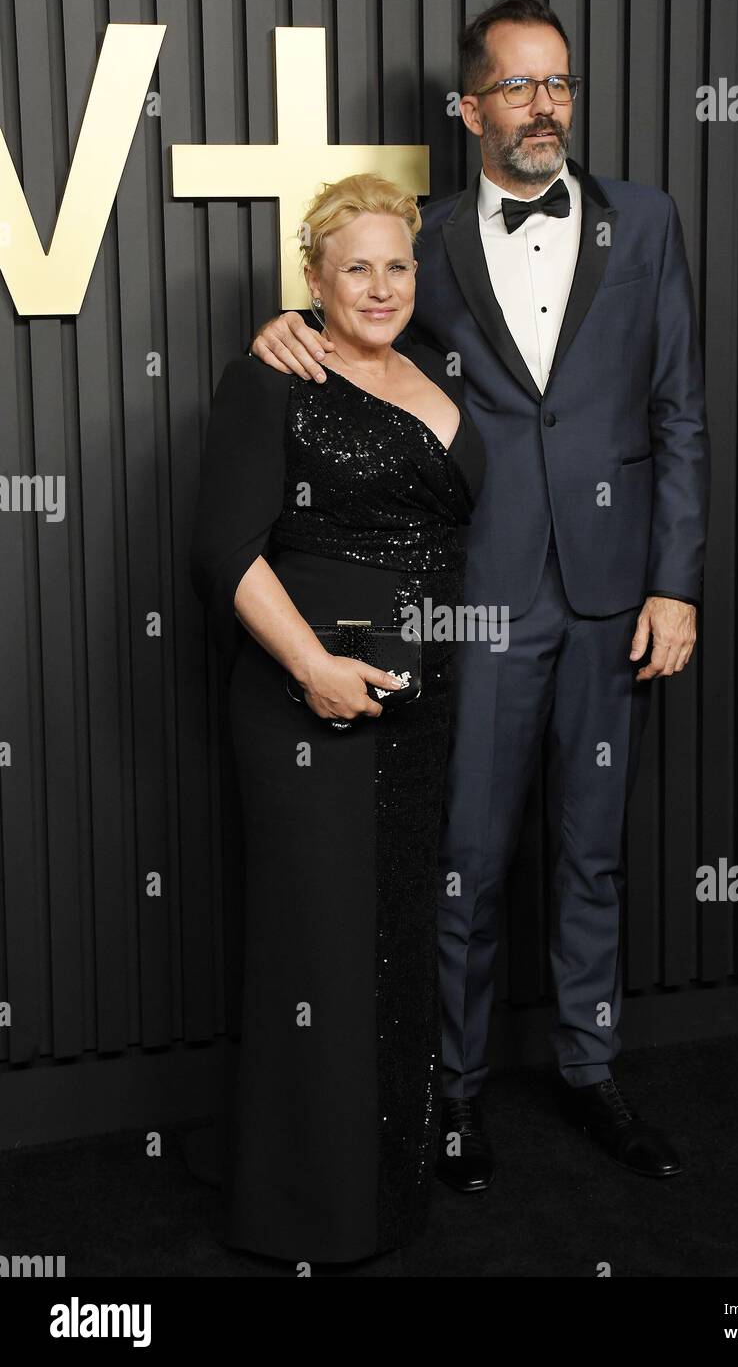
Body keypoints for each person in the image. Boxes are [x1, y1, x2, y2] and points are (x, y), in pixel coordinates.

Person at [251, 0, 710, 1190]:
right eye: (516, 86)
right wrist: (281, 332)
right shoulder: (432, 237)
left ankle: (592, 1071)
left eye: (556, 83)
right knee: (467, 856)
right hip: (483, 598)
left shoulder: (647, 222)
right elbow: (359, 325)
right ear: (469, 110)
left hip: (617, 598)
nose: (543, 105)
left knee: (594, 854)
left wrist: (676, 580)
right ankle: (453, 1095)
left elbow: (678, 415)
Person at [190, 172, 485, 1263]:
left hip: (419, 707)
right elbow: (225, 548)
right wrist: (312, 665)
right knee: (317, 949)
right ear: (310, 277)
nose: (378, 283)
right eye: (353, 264)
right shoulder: (274, 375)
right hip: (304, 706)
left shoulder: (432, 370)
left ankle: (383, 1178)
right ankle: (307, 1213)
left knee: (389, 944)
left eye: (396, 264)